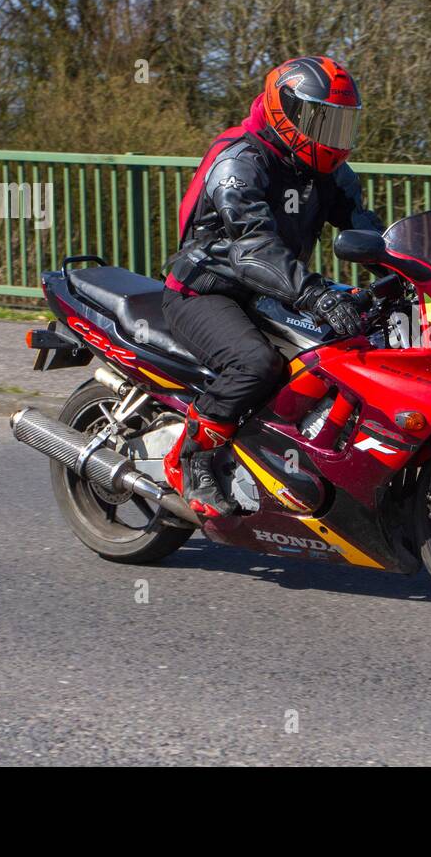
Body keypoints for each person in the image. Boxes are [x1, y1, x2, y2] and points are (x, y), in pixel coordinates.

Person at [161, 56, 382, 516]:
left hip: (271, 290)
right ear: (287, 112)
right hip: (206, 290)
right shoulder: (240, 161)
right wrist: (316, 293)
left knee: (349, 348)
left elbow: (363, 228)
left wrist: (406, 269)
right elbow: (253, 247)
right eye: (322, 121)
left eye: (340, 124)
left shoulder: (326, 172)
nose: (332, 136)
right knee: (256, 364)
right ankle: (192, 460)